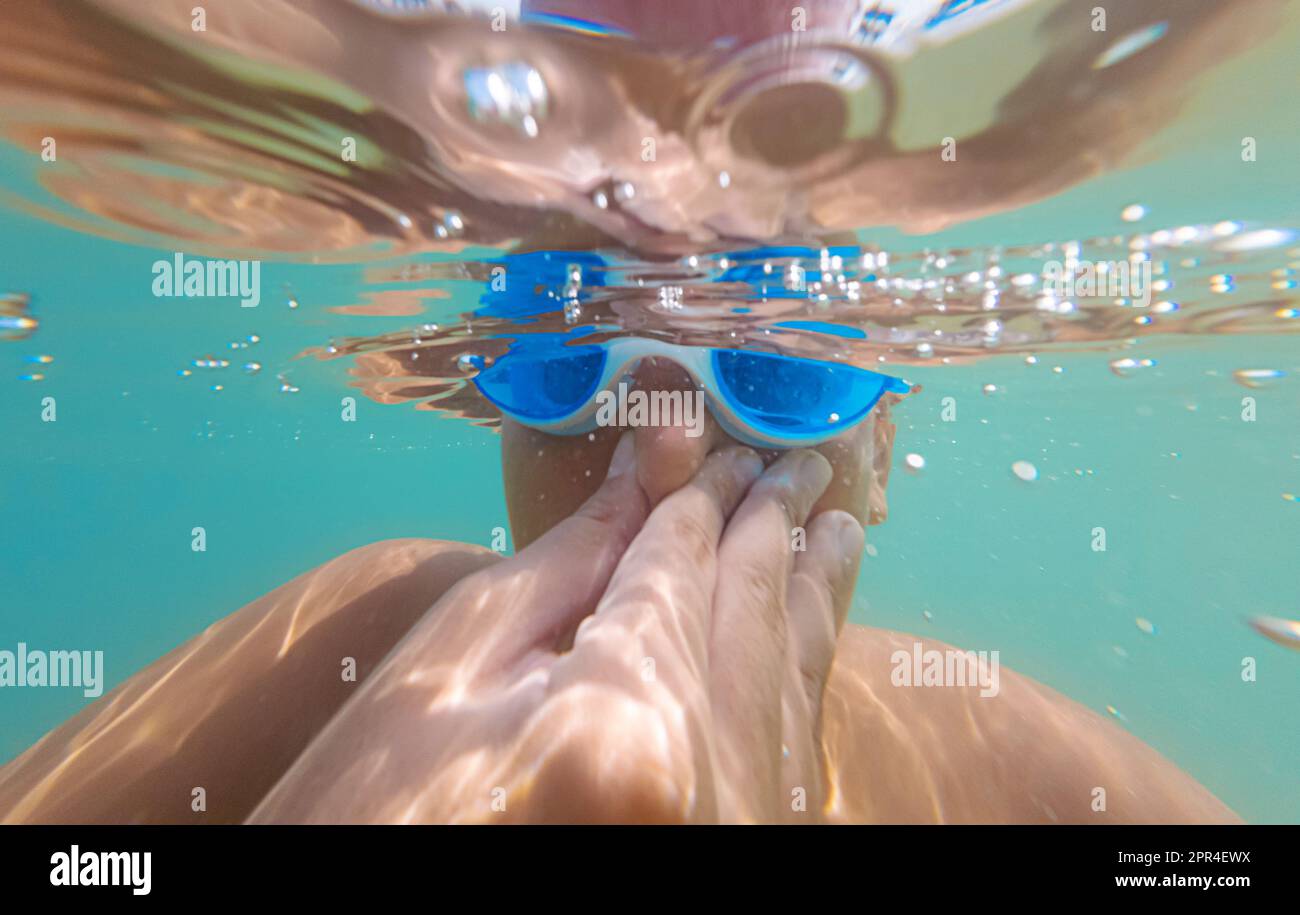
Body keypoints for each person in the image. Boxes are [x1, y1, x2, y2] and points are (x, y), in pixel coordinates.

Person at [0, 359, 1237, 824]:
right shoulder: (357, 642)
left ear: (885, 454)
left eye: (779, 370)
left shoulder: (1046, 789)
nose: (661, 452)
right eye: (565, 363)